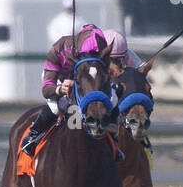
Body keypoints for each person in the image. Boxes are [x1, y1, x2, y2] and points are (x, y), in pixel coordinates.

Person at [20, 24, 116, 158]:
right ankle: (33, 135)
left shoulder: (100, 53)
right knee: (56, 107)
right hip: (58, 80)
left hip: (86, 83)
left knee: (113, 99)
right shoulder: (59, 49)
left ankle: (114, 141)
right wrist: (60, 89)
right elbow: (46, 90)